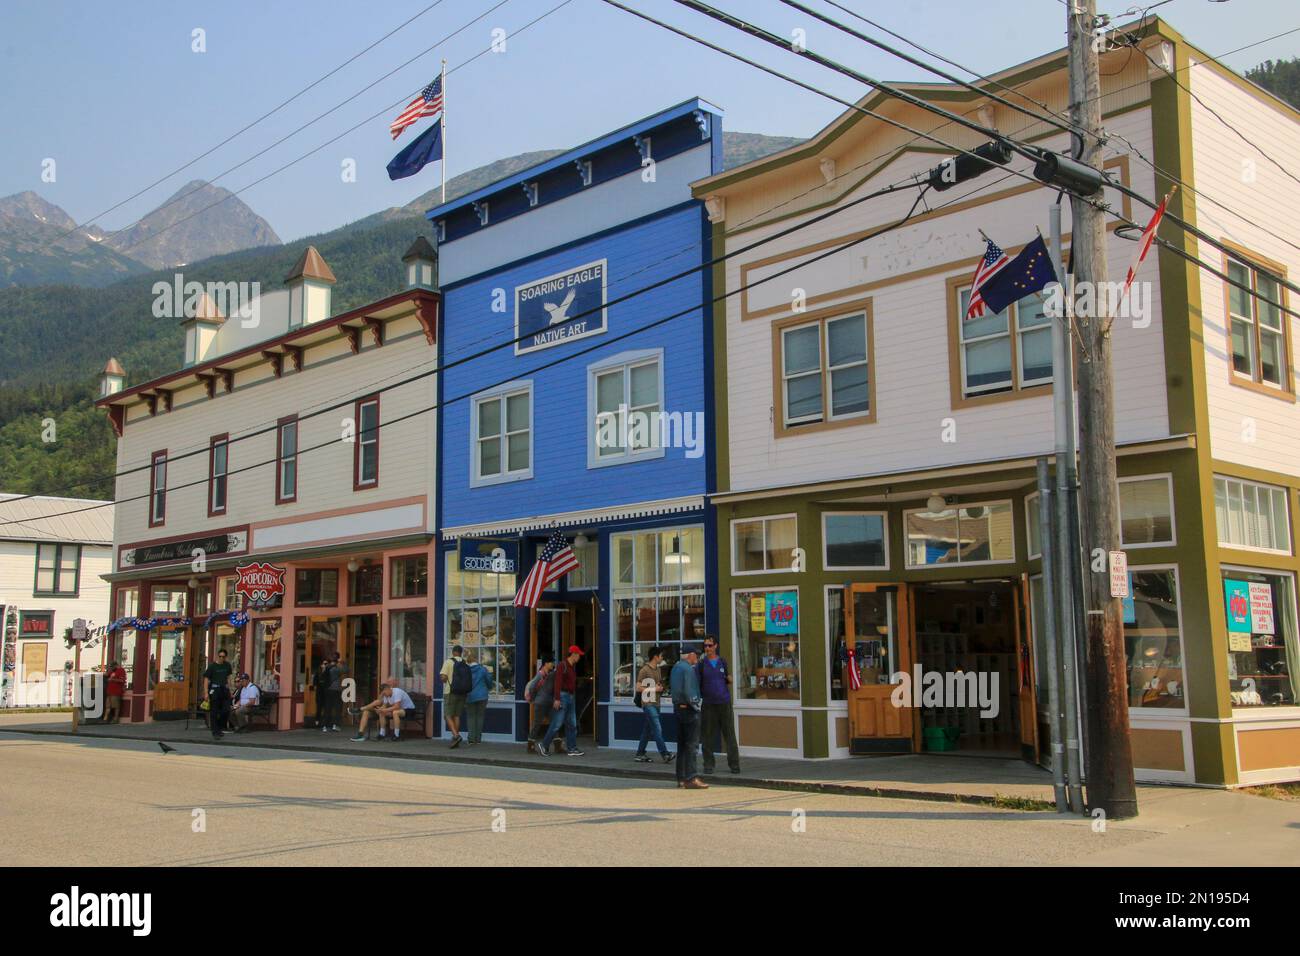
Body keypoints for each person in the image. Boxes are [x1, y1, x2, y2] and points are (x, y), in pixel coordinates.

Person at [697, 635, 741, 774]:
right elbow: (698, 684)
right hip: (709, 704)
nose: (707, 648)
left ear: (716, 646)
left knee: (730, 735)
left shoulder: (722, 662)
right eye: (705, 646)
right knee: (707, 736)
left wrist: (730, 679)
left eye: (710, 645)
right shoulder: (701, 664)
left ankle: (734, 764)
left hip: (724, 702)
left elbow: (727, 679)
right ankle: (708, 764)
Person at [537, 645, 585, 758]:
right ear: (573, 654)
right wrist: (557, 698)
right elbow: (557, 683)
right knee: (557, 723)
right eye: (579, 655)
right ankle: (544, 745)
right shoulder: (561, 666)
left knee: (572, 724)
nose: (579, 657)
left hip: (571, 697)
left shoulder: (572, 667)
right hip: (563, 697)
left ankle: (572, 748)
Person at [670, 644, 707, 789]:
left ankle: (681, 778)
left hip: (678, 708)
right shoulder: (687, 669)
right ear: (690, 655)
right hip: (689, 710)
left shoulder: (676, 668)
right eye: (696, 655)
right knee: (692, 745)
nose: (697, 658)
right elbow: (690, 692)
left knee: (682, 746)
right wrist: (697, 706)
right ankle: (691, 777)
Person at [634, 646, 673, 764]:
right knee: (657, 729)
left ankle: (640, 753)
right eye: (661, 656)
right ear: (655, 657)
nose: (662, 658)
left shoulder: (658, 670)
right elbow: (638, 687)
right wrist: (654, 688)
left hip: (656, 703)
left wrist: (660, 688)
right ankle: (665, 754)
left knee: (647, 730)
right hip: (648, 704)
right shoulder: (644, 670)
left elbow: (657, 686)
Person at [440, 644, 470, 748]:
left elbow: (443, 677)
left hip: (450, 692)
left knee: (447, 715)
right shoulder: (464, 663)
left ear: (453, 652)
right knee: (457, 716)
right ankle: (455, 738)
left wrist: (444, 679)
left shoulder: (448, 662)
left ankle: (456, 735)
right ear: (461, 652)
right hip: (462, 693)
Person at [524, 655, 557, 753]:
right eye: (551, 662)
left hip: (549, 702)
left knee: (555, 722)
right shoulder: (540, 674)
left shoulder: (550, 674)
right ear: (546, 664)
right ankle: (530, 745)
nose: (553, 664)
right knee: (537, 724)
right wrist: (535, 698)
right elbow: (532, 687)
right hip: (541, 703)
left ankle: (558, 745)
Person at [464, 651, 493, 745]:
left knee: (471, 717)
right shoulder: (483, 669)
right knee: (480, 717)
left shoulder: (466, 670)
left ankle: (471, 739)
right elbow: (489, 682)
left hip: (469, 696)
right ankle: (478, 739)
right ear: (476, 659)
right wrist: (489, 687)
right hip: (482, 695)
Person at [104, 659, 127, 723]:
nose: (111, 668)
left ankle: (116, 718)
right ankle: (105, 719)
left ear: (116, 665)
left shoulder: (121, 670)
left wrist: (112, 680)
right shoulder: (111, 672)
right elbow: (106, 675)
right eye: (110, 667)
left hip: (116, 691)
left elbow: (122, 680)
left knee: (115, 706)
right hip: (109, 691)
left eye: (112, 666)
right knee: (108, 706)